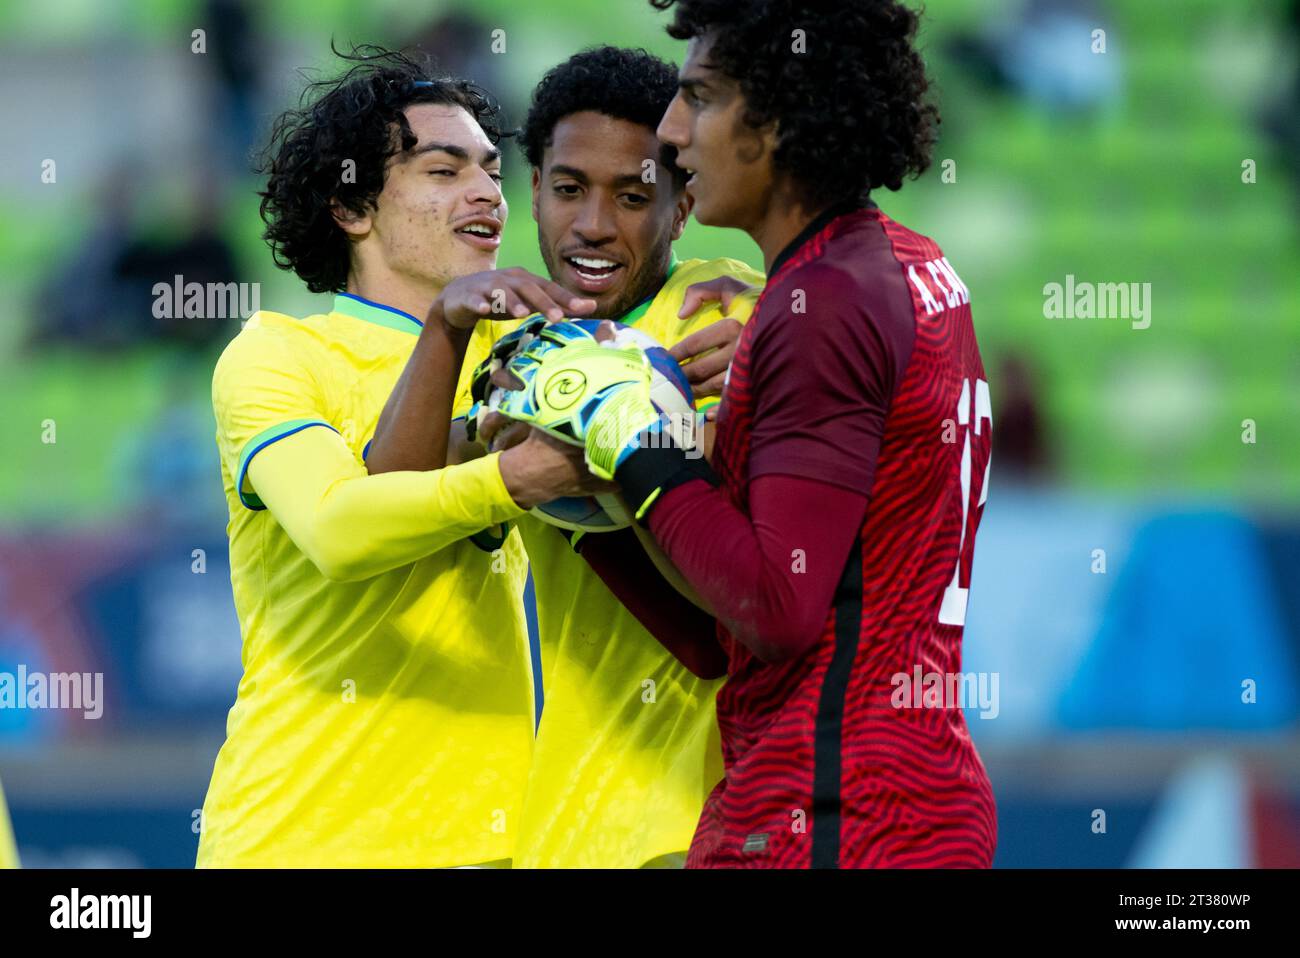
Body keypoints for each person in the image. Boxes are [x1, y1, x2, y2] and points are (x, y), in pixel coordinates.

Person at [497, 0, 997, 868]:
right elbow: (714, 635)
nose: (672, 130)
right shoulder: (906, 265)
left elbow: (775, 610)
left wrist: (622, 427)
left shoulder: (822, 306)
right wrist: (579, 483)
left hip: (832, 811)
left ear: (775, 121)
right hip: (880, 794)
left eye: (699, 97)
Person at [199, 46, 599, 868]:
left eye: (491, 170)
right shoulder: (277, 354)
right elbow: (341, 532)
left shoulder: (534, 366)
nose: (486, 191)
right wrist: (509, 478)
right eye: (444, 170)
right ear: (352, 207)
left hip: (491, 842)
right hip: (300, 840)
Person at [366, 46, 763, 868]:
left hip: (710, 821)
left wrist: (602, 435)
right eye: (569, 188)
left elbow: (734, 595)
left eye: (632, 196)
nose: (592, 226)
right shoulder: (525, 350)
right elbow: (390, 501)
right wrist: (446, 332)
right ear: (533, 192)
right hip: (568, 829)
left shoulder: (721, 313)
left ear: (682, 207)